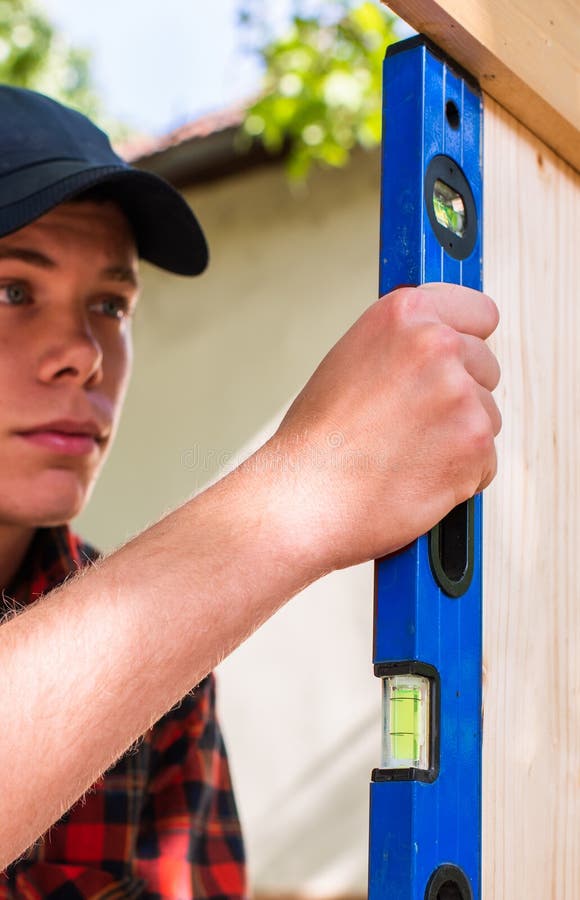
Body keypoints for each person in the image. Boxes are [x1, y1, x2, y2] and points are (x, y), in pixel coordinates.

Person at [0, 85, 501, 895]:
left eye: (111, 305)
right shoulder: (166, 628)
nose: (83, 354)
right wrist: (304, 486)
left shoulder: (166, 676)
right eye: (13, 291)